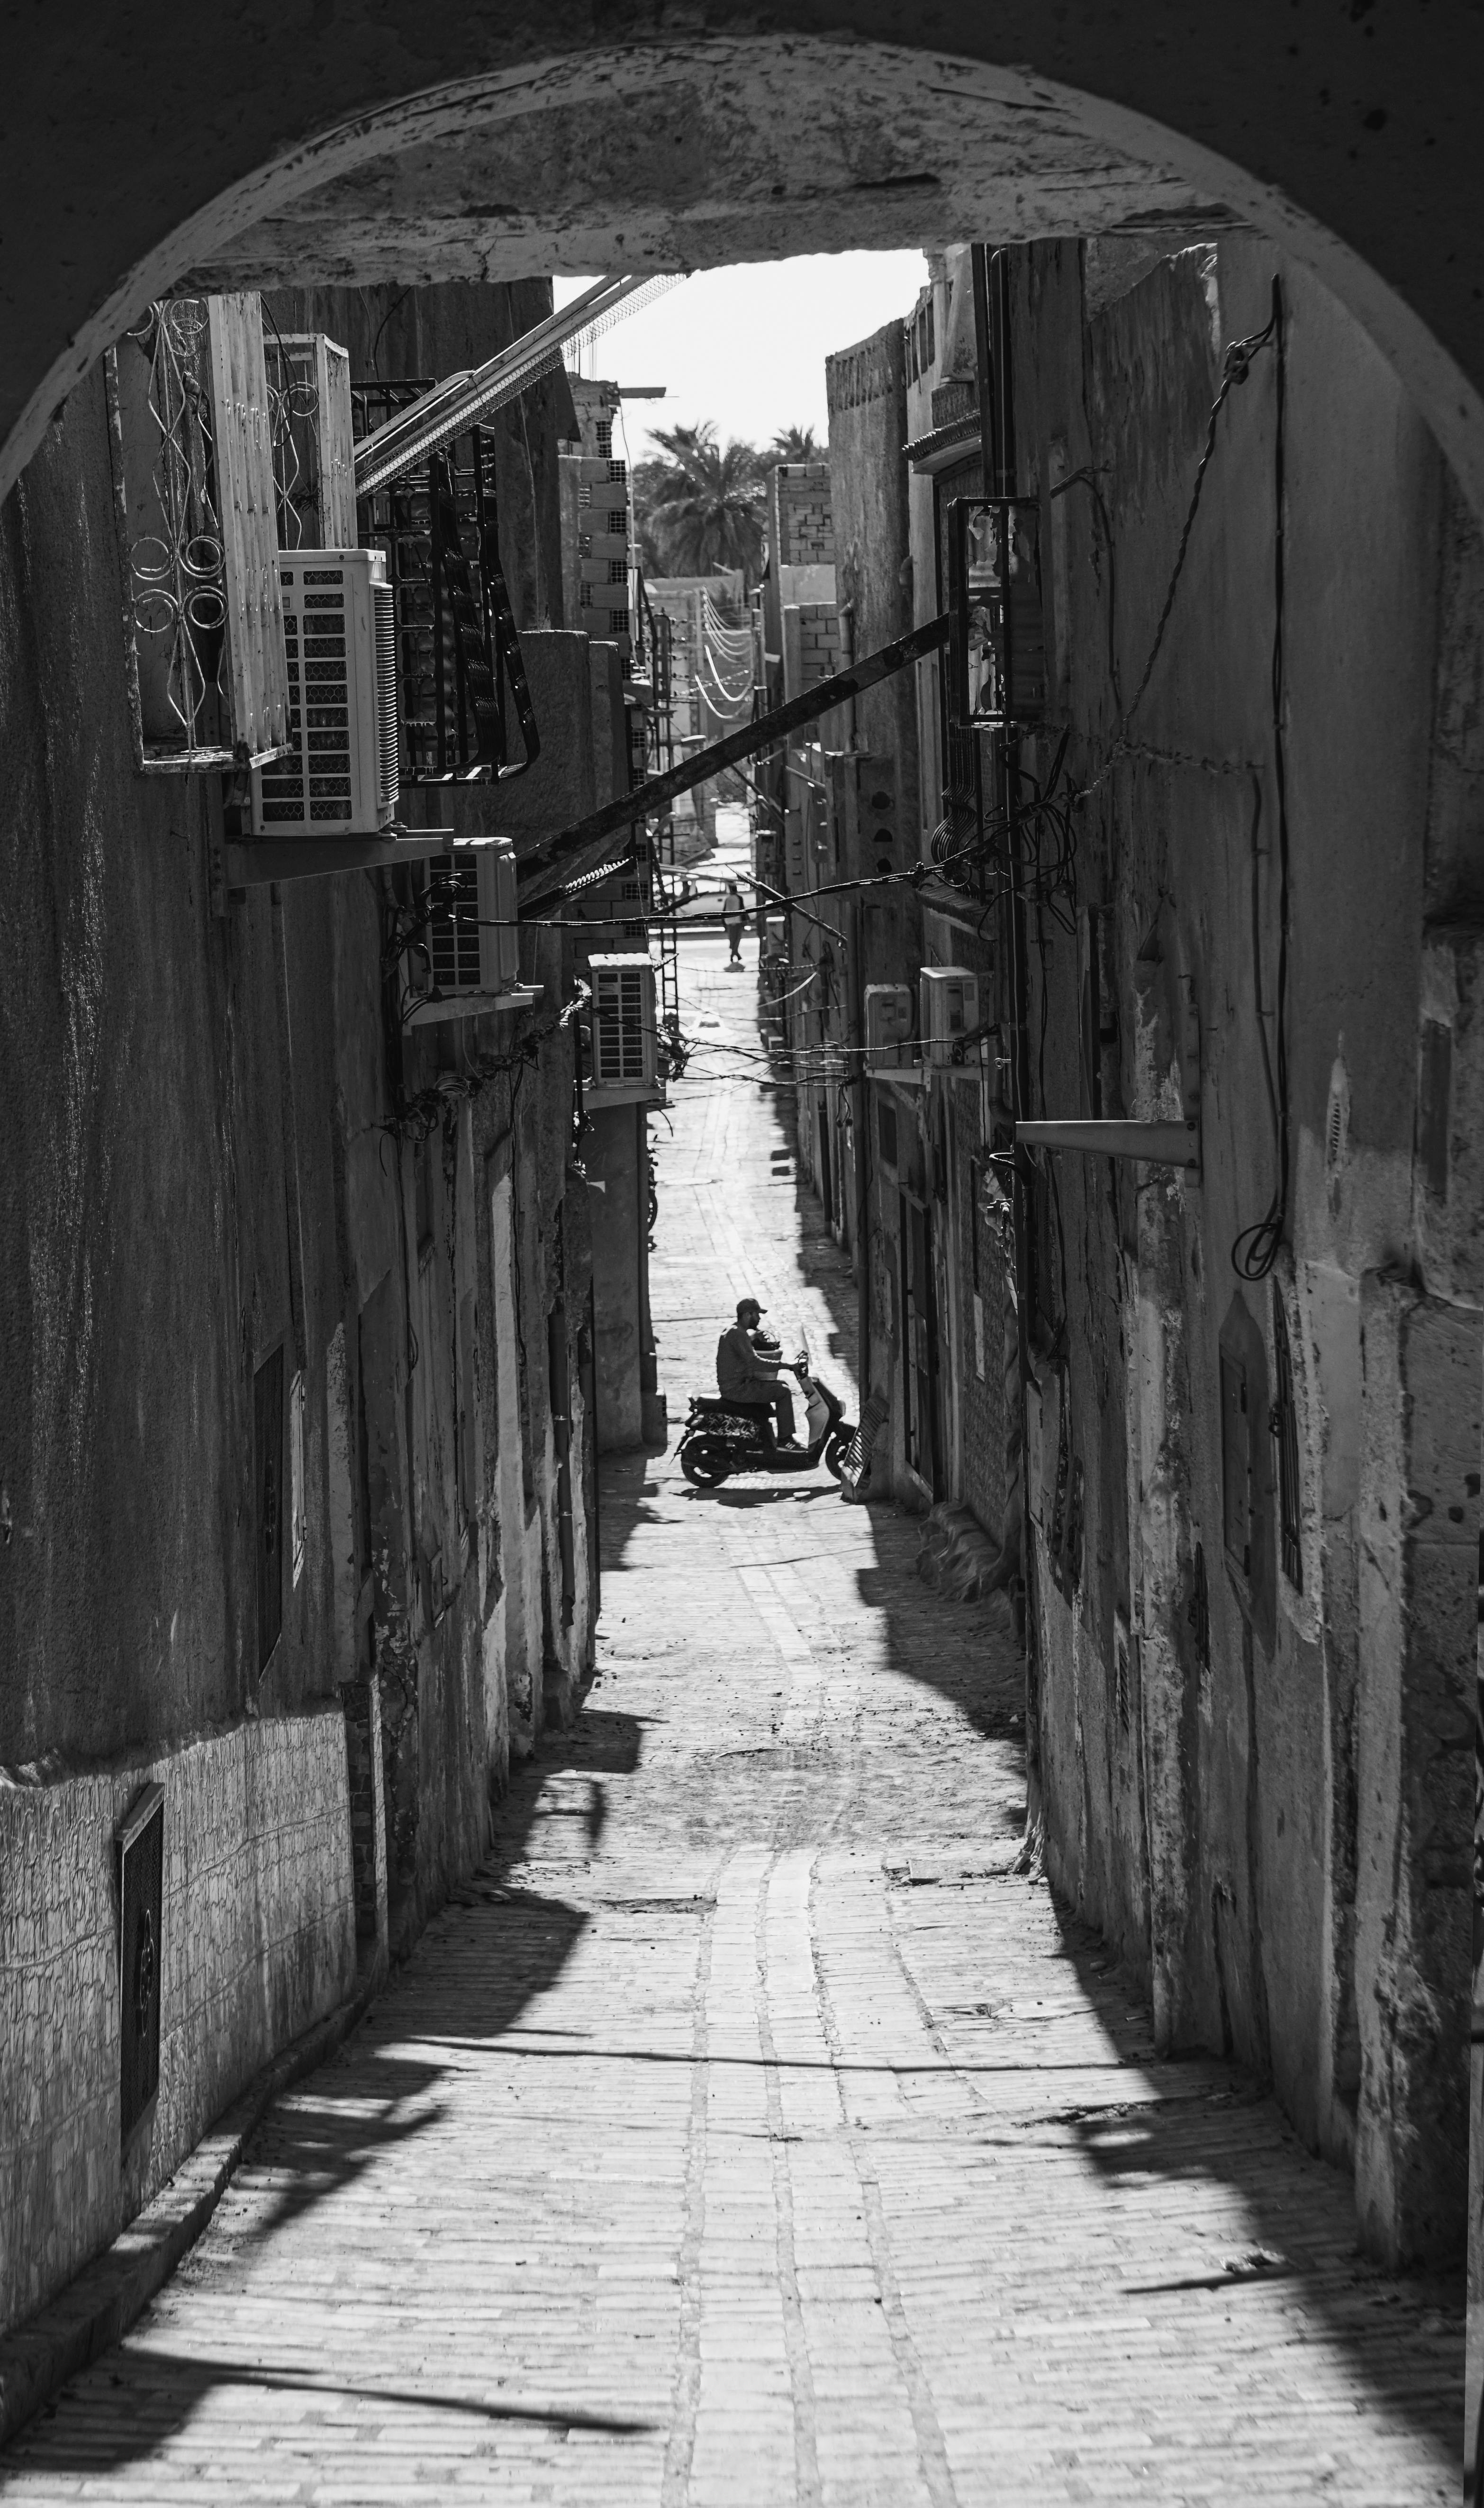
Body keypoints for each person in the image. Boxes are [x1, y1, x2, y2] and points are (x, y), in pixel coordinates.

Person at [716, 1296, 797, 1445]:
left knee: (782, 1384)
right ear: (748, 1315)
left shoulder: (734, 1331)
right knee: (783, 1392)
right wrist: (787, 1366)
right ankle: (786, 1439)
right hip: (738, 1389)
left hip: (735, 1385)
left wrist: (753, 1338)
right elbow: (755, 1363)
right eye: (757, 1315)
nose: (759, 1319)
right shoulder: (738, 1334)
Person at [721, 882, 745, 967]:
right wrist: (745, 921)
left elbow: (724, 910)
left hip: (729, 922)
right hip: (738, 921)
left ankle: (736, 955)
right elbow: (743, 909)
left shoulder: (728, 899)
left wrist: (724, 922)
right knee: (737, 939)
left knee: (732, 939)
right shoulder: (739, 898)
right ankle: (733, 954)